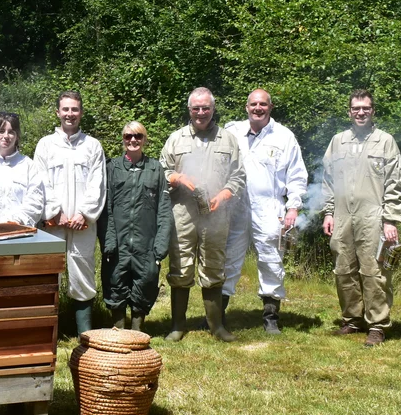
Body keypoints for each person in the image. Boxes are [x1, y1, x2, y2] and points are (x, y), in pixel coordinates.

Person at [160, 87, 245, 342]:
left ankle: (216, 326)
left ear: (213, 109)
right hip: (182, 213)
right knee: (181, 267)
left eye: (205, 108)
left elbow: (238, 176)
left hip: (216, 213)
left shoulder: (227, 139)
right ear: (189, 110)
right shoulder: (176, 139)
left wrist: (225, 195)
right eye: (196, 108)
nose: (201, 112)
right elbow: (161, 170)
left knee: (213, 267)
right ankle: (177, 326)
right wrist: (176, 177)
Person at [322, 90, 401, 347]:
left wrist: (390, 219)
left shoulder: (385, 141)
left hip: (373, 217)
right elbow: (328, 179)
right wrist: (328, 212)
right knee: (343, 270)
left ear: (373, 111)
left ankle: (377, 325)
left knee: (374, 272)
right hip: (342, 216)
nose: (361, 112)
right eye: (356, 108)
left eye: (366, 108)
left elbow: (395, 182)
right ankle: (352, 319)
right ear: (349, 112)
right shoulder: (338, 142)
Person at [223, 89, 308, 334]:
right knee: (227, 258)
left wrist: (293, 206)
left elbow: (296, 174)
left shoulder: (284, 136)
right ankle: (216, 315)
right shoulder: (232, 132)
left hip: (269, 207)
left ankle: (270, 318)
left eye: (263, 104)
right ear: (246, 107)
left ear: (270, 107)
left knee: (271, 259)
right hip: (234, 206)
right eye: (253, 104)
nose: (257, 108)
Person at [34, 91, 106, 335]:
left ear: (81, 113)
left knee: (82, 272)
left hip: (81, 224)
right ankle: (47, 332)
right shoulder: (45, 145)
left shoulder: (92, 145)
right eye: (65, 109)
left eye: (74, 109)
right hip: (53, 223)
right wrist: (55, 212)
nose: (70, 114)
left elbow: (97, 183)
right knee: (48, 273)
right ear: (58, 112)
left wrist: (84, 214)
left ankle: (84, 333)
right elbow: (40, 182)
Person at [99, 121, 172, 331]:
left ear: (144, 139)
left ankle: (137, 331)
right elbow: (105, 207)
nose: (133, 140)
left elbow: (164, 209)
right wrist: (108, 241)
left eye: (138, 136)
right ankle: (119, 332)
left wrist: (160, 246)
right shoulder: (112, 168)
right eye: (128, 136)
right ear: (123, 139)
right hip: (118, 241)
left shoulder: (155, 168)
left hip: (146, 242)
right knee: (115, 282)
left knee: (146, 282)